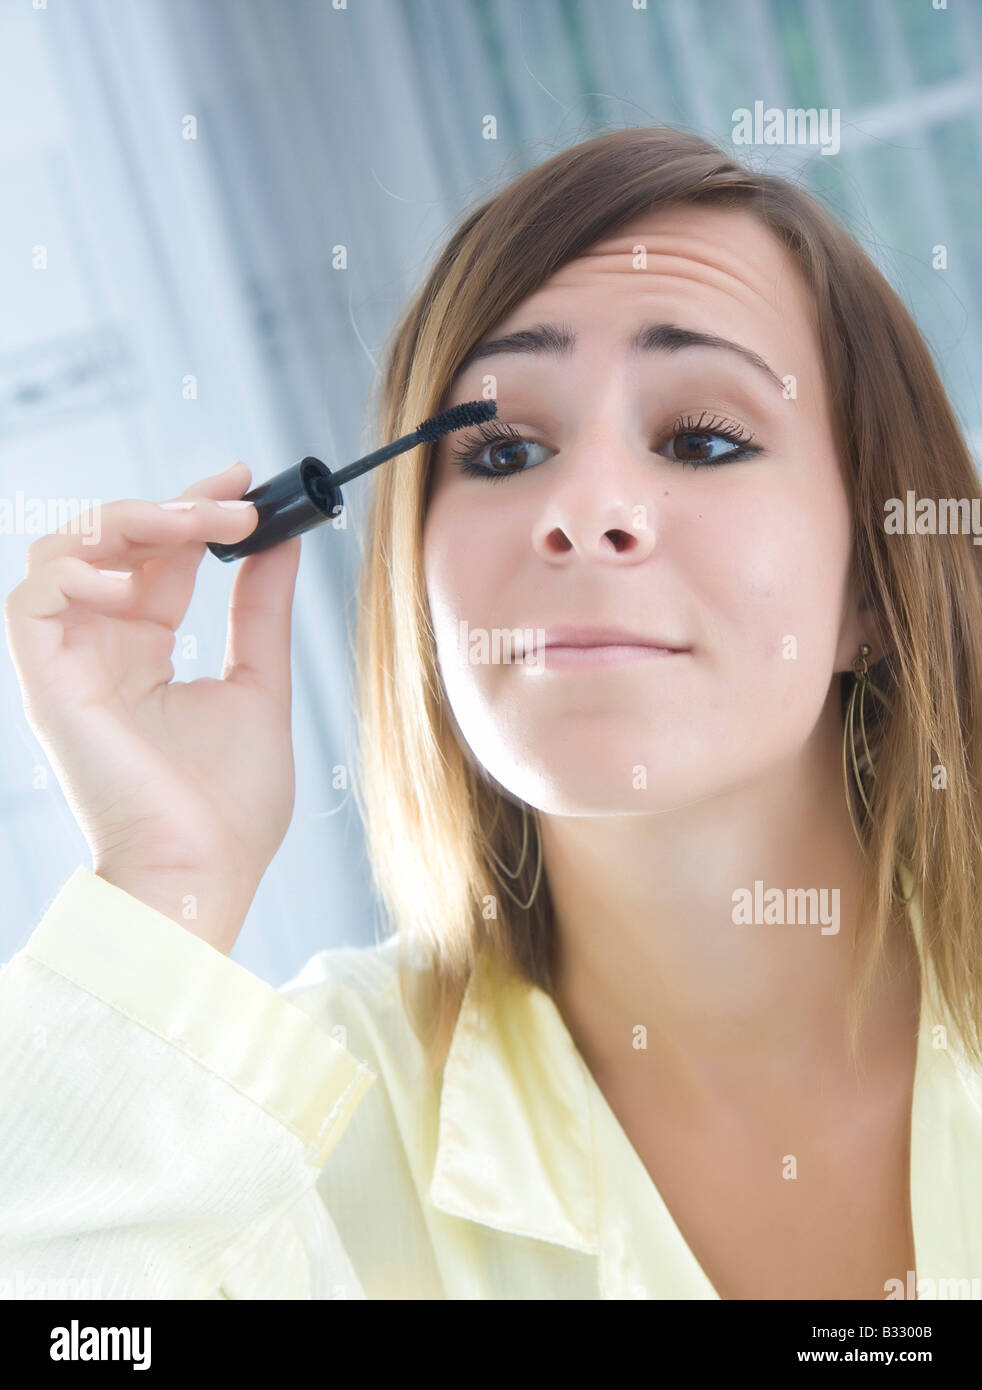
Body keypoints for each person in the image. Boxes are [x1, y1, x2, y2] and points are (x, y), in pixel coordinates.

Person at [3, 125, 982, 1302]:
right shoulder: (283, 1145)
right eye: (506, 449)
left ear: (874, 587)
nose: (583, 510)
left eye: (703, 439)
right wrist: (162, 883)